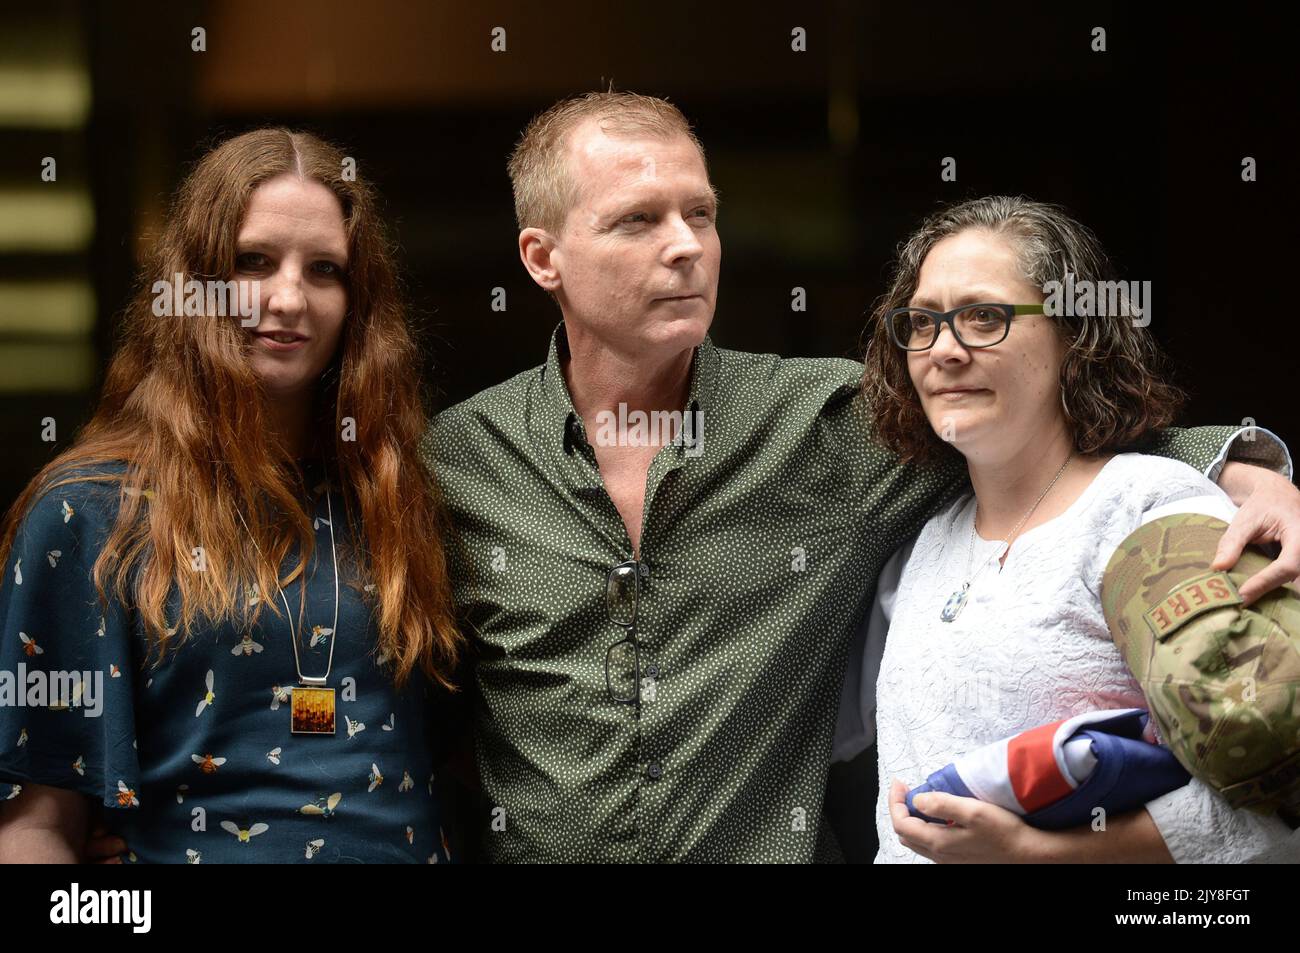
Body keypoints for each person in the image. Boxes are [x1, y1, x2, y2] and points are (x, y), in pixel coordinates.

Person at [425, 91, 1300, 862]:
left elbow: (1046, 422)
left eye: (702, 213)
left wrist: (1251, 469)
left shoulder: (826, 428)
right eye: (638, 220)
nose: (687, 247)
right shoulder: (459, 463)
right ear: (543, 259)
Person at [0, 128, 464, 864]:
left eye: (324, 269)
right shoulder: (87, 508)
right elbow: (35, 823)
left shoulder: (399, 489)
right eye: (253, 261)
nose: (288, 298)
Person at [833, 195, 1297, 862]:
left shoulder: (1148, 506)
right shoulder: (920, 543)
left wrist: (1036, 854)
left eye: (983, 317)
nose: (945, 349)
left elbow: (1272, 802)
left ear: (1075, 334)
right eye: (924, 322)